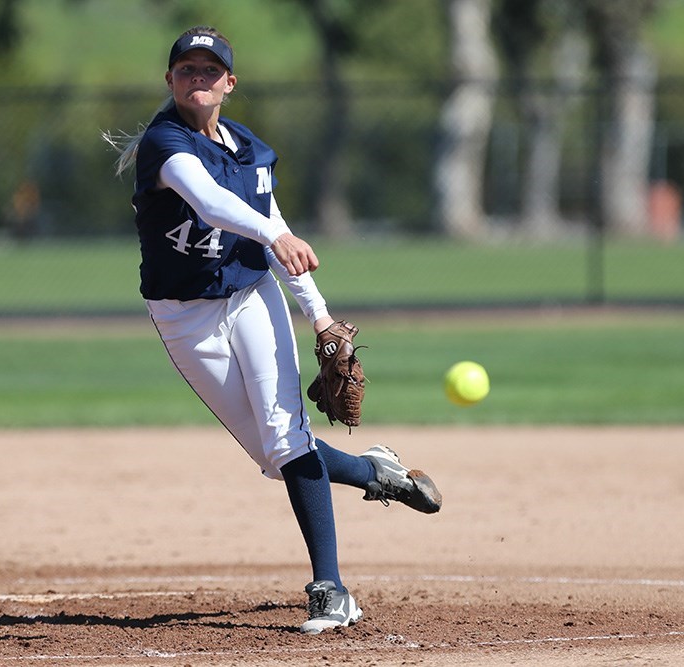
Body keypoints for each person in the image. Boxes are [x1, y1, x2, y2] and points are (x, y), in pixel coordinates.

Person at [103, 26, 442, 634]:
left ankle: (331, 590)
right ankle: (377, 472)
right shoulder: (164, 142)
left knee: (287, 438)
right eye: (187, 69)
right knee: (273, 455)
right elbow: (210, 203)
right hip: (183, 315)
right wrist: (272, 233)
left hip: (250, 296)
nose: (198, 77)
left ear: (229, 83)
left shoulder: (250, 152)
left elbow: (278, 241)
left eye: (210, 70)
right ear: (170, 80)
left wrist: (320, 315)